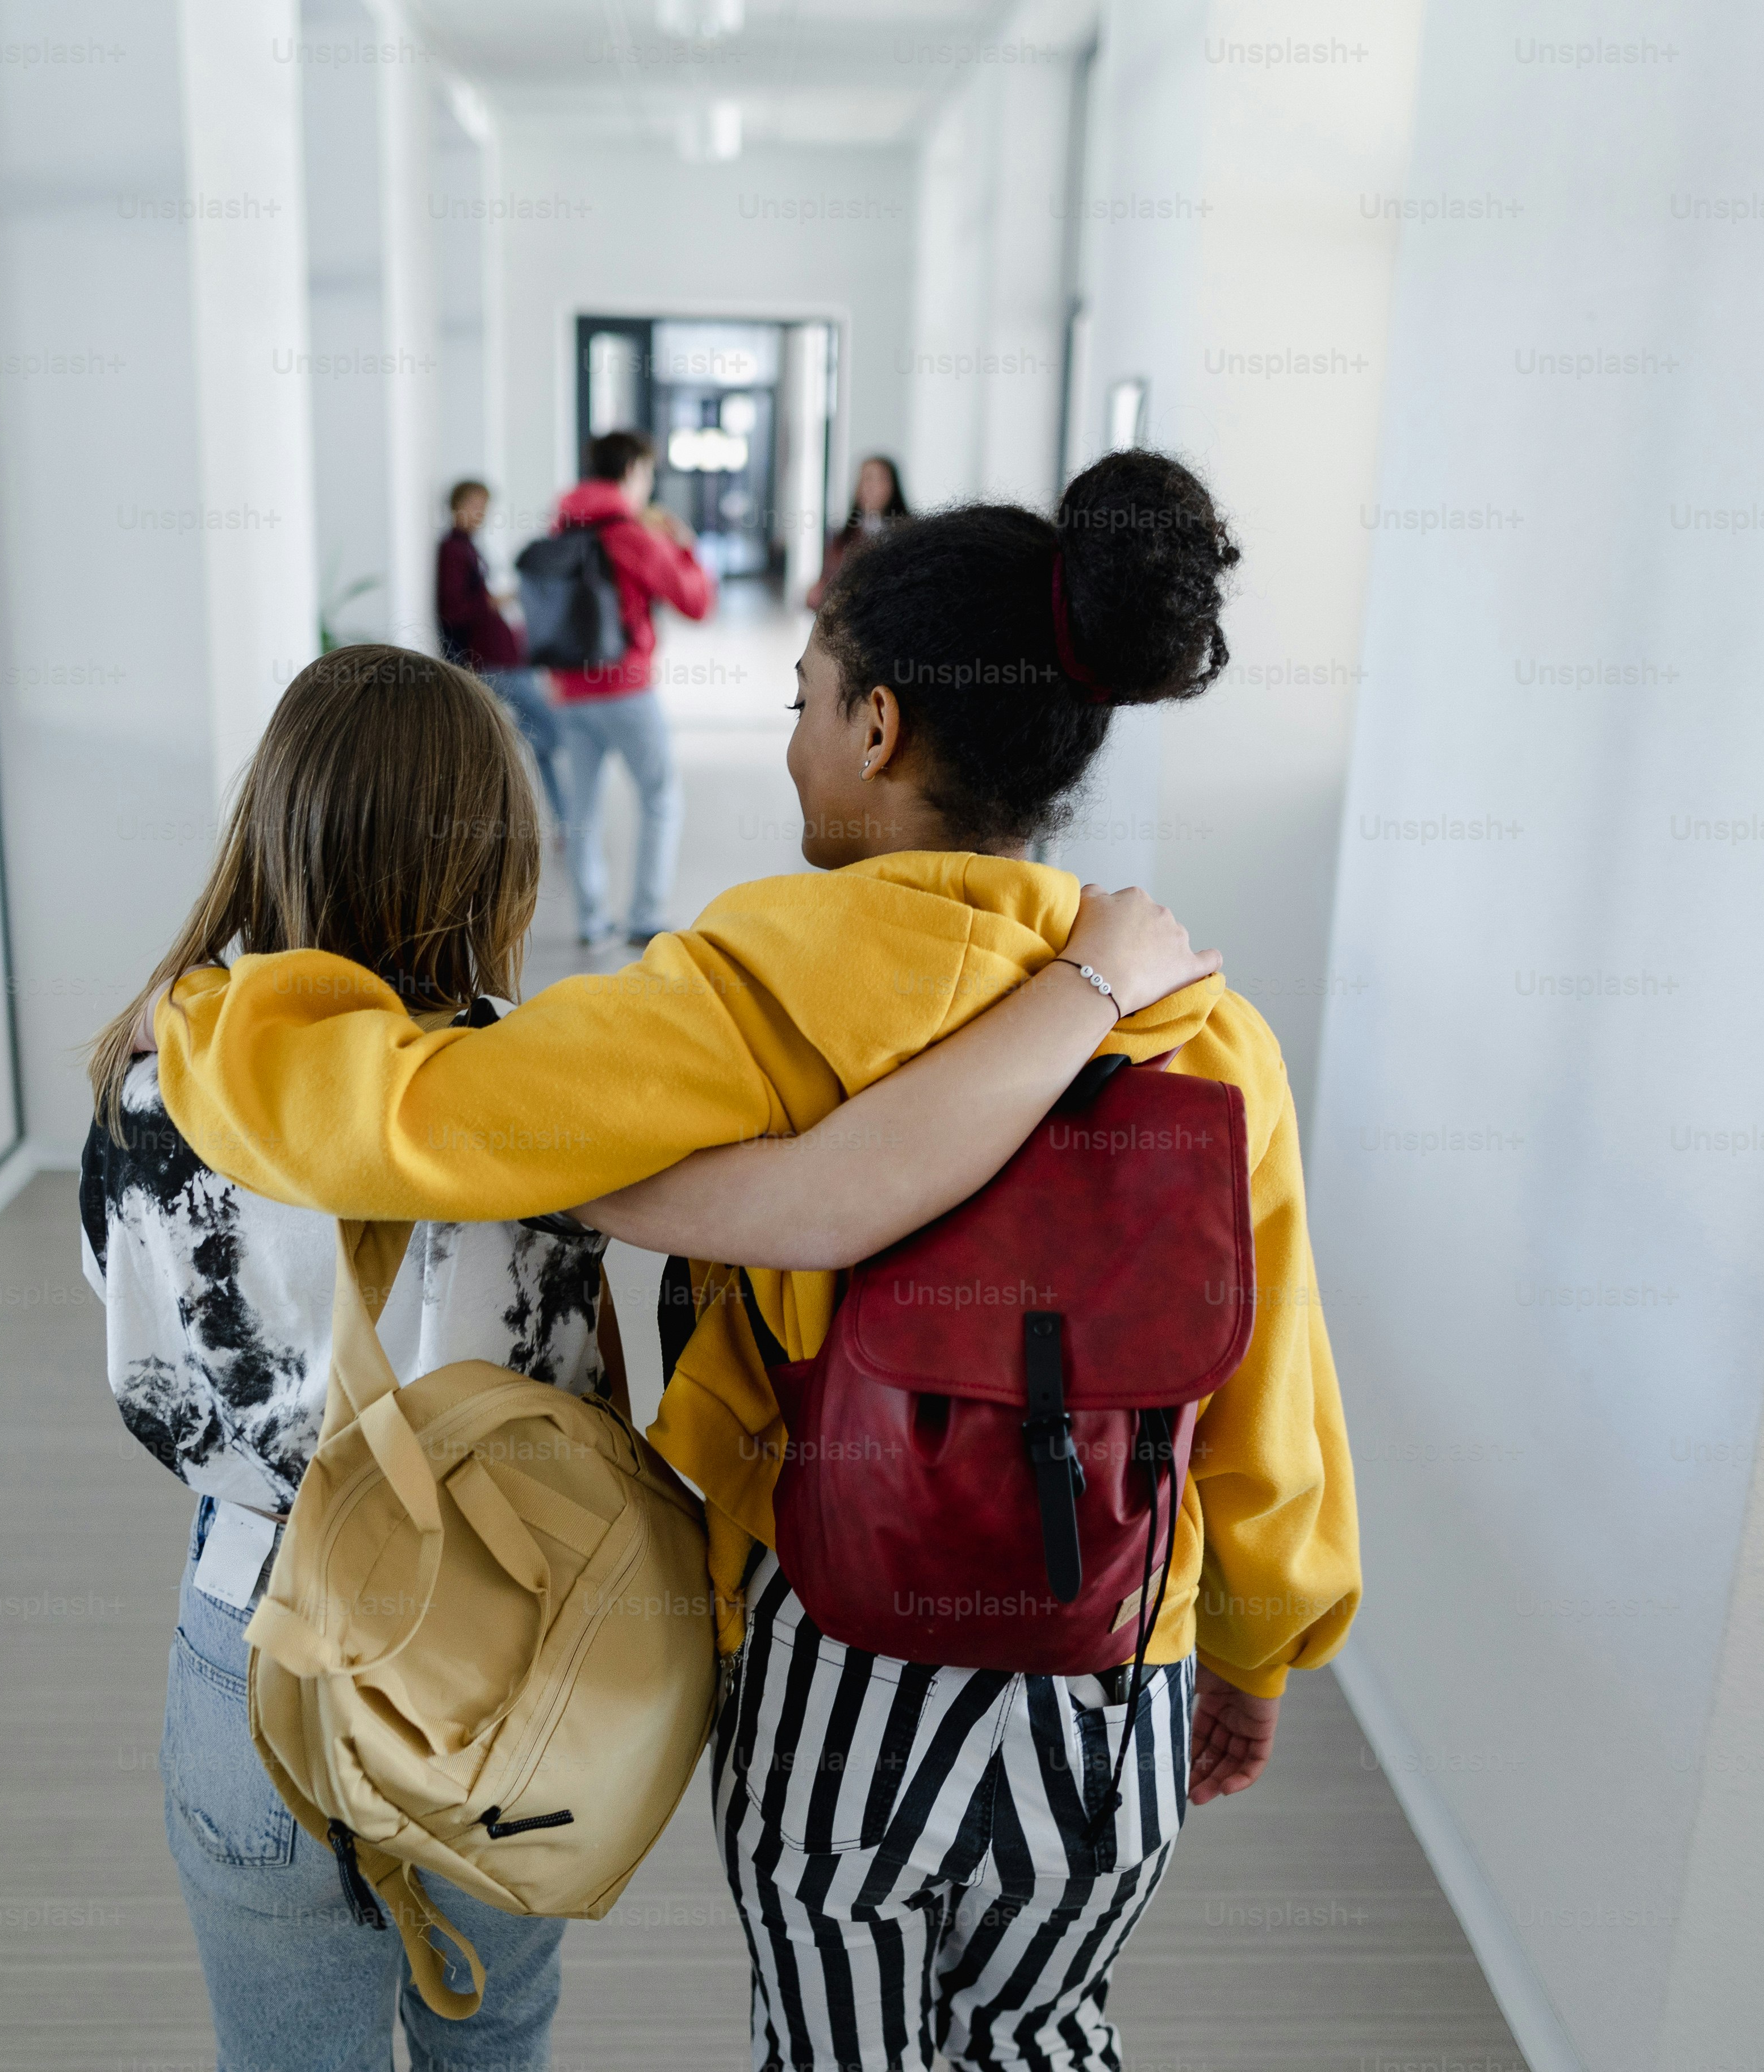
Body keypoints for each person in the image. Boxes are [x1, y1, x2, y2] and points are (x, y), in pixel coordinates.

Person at [147, 451, 1358, 2072]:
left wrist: (215, 1024)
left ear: (877, 731)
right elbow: (1266, 1407)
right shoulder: (1204, 1030)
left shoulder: (763, 980)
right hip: (1112, 1662)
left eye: (805, 695)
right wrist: (1260, 1650)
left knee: (830, 2047)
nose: (793, 732)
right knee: (1049, 2036)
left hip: (840, 1665)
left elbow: (427, 1111)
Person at [549, 429, 713, 949]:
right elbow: (694, 603)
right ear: (632, 472)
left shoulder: (560, 524)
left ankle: (591, 920)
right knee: (660, 795)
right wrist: (683, 547)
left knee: (584, 808)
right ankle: (644, 915)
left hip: (570, 687)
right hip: (624, 686)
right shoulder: (629, 531)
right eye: (646, 474)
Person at [433, 478, 567, 822]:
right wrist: (492, 602)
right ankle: (543, 807)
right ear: (456, 506)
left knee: (539, 738)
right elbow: (453, 611)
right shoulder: (452, 549)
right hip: (490, 664)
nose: (480, 514)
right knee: (548, 733)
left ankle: (564, 820)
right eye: (474, 505)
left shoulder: (469, 548)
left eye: (484, 506)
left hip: (506, 659)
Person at [803, 450, 907, 609]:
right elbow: (826, 584)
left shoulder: (907, 535)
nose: (871, 488)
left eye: (879, 480)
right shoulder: (842, 539)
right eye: (866, 479)